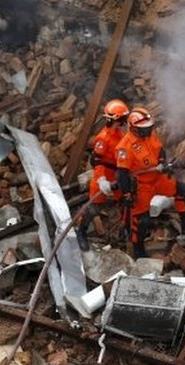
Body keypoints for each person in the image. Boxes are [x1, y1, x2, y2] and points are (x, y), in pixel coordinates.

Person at [115, 107, 185, 258]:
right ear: (134, 128)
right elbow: (122, 174)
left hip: (158, 177)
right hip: (141, 185)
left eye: (149, 127)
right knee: (141, 220)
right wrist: (127, 194)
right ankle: (138, 250)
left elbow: (160, 150)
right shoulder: (125, 147)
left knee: (183, 190)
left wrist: (163, 162)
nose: (149, 130)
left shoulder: (150, 135)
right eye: (145, 129)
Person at [76, 99, 130, 251]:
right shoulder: (103, 138)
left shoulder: (121, 133)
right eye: (123, 119)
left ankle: (125, 232)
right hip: (104, 176)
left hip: (119, 174)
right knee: (93, 208)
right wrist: (101, 180)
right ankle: (81, 232)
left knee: (125, 203)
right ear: (115, 119)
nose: (125, 121)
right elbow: (96, 160)